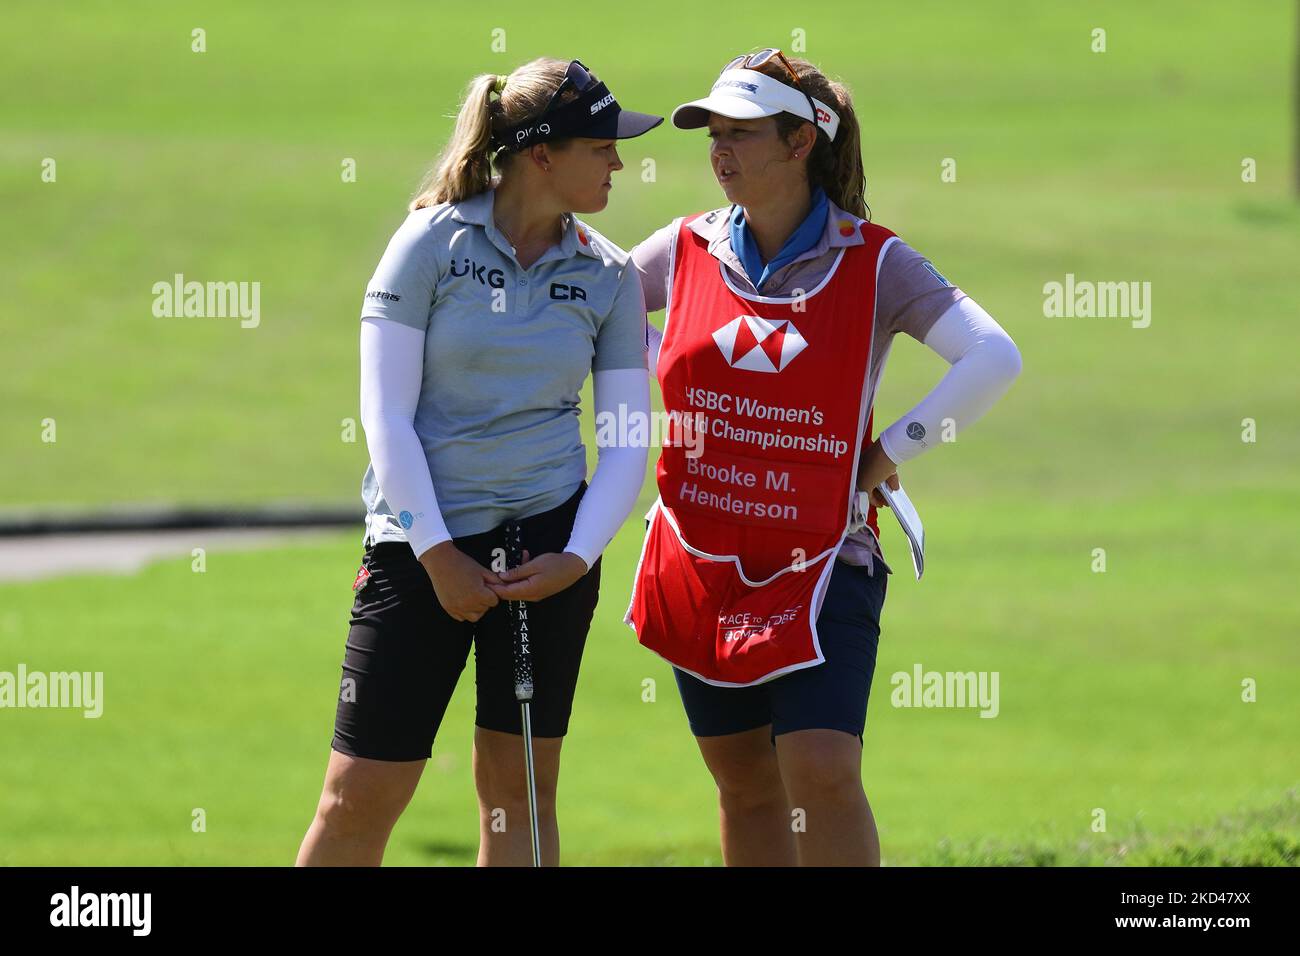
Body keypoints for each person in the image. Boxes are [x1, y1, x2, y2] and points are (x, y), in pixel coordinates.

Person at [625, 49, 1022, 866]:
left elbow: (993, 358)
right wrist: (659, 355)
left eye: (741, 132)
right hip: (700, 556)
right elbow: (587, 315)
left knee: (822, 767)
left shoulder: (876, 260)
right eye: (712, 133)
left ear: (801, 143)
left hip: (825, 555)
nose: (719, 150)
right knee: (741, 778)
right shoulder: (685, 245)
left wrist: (880, 458)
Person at [296, 58, 660, 867]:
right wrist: (437, 556)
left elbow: (627, 437)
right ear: (541, 155)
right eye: (601, 146)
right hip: (417, 549)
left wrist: (576, 555)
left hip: (549, 551)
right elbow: (385, 415)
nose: (619, 163)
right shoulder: (427, 244)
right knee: (359, 792)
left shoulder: (609, 274)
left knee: (520, 795)